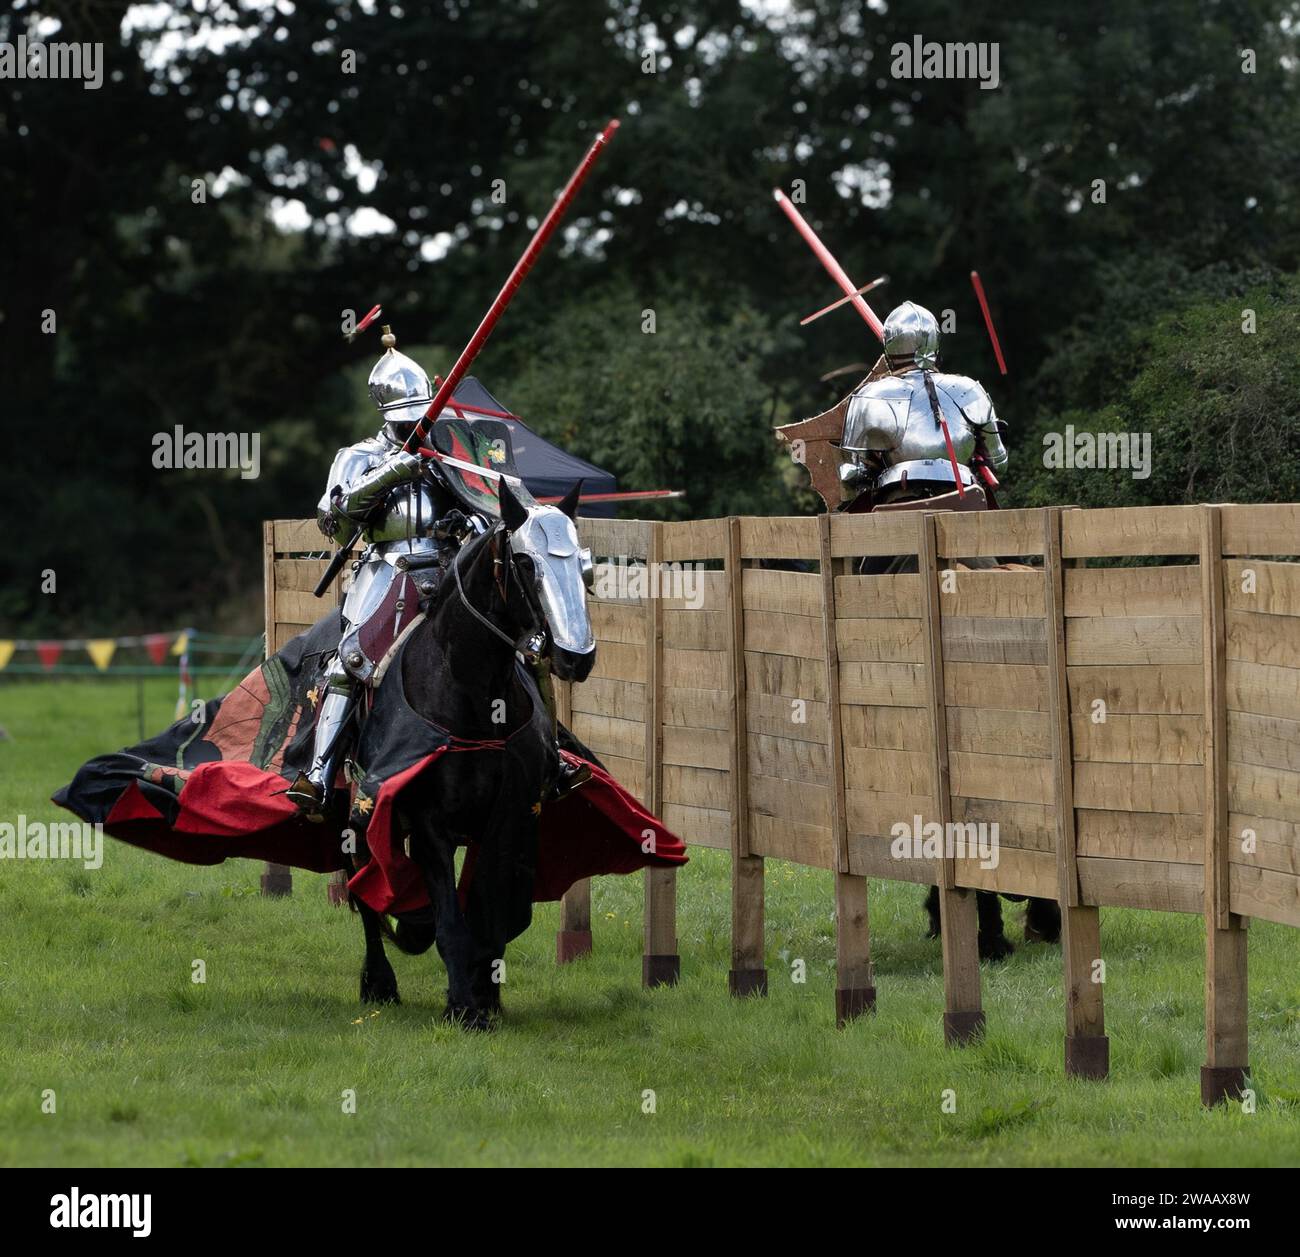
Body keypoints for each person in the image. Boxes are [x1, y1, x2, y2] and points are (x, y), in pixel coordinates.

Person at [287, 327, 469, 817]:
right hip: (389, 569)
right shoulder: (357, 457)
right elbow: (334, 520)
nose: (414, 426)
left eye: (420, 416)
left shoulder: (447, 451)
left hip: (450, 565)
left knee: (515, 645)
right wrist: (390, 473)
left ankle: (552, 757)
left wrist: (467, 520)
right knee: (348, 661)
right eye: (405, 419)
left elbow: (483, 506)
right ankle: (318, 774)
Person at [837, 301, 1008, 506]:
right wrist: (971, 455)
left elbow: (850, 476)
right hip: (964, 497)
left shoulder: (871, 395)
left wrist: (876, 469)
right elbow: (999, 463)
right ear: (935, 341)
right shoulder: (970, 390)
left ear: (889, 345)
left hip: (899, 501)